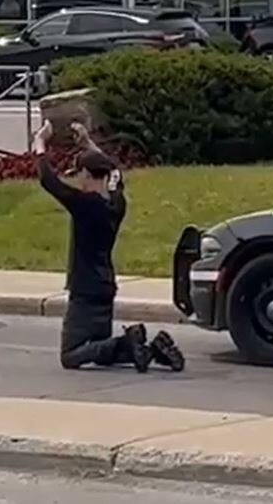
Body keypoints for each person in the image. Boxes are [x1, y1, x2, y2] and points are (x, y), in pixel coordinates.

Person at [35, 120, 185, 373]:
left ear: (86, 175)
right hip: (105, 287)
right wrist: (87, 143)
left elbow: (48, 181)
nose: (78, 179)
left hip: (84, 290)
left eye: (79, 174)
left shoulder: (84, 205)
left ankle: (128, 340)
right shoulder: (116, 204)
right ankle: (152, 350)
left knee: (70, 355)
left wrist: (40, 144)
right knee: (102, 351)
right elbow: (115, 172)